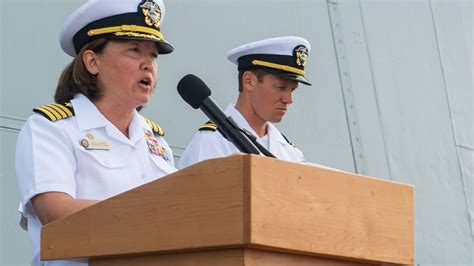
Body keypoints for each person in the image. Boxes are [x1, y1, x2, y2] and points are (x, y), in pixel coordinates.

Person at [15, 0, 176, 265]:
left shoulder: (156, 140)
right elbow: (55, 214)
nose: (148, 64)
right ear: (92, 62)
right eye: (135, 51)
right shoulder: (51, 128)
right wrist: (152, 216)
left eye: (153, 55)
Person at [178, 36, 311, 168]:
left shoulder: (292, 154)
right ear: (249, 81)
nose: (288, 100)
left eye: (292, 90)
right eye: (280, 88)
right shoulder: (210, 143)